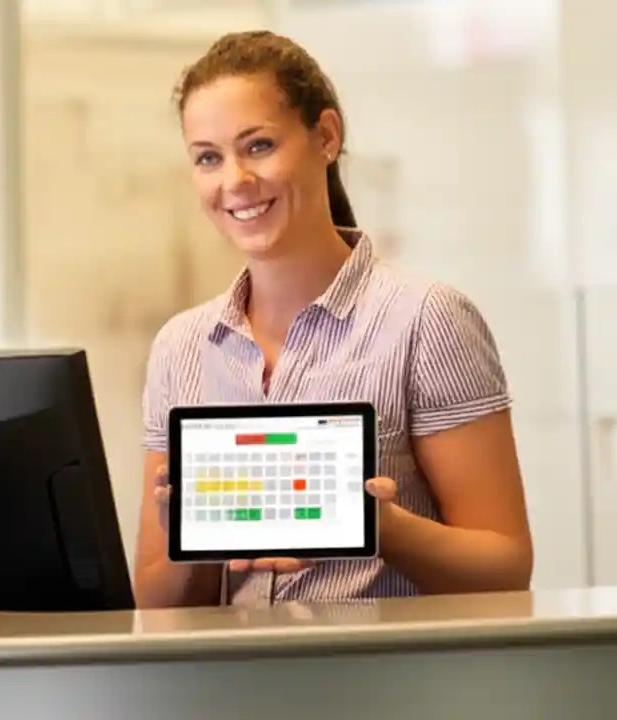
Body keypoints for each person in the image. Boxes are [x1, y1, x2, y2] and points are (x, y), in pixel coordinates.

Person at [133, 30, 533, 608]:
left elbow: (504, 570)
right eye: (208, 158)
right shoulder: (181, 346)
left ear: (325, 136)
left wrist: (377, 525)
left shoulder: (427, 319)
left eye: (259, 145)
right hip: (230, 687)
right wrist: (187, 540)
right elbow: (155, 604)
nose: (235, 182)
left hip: (382, 685)